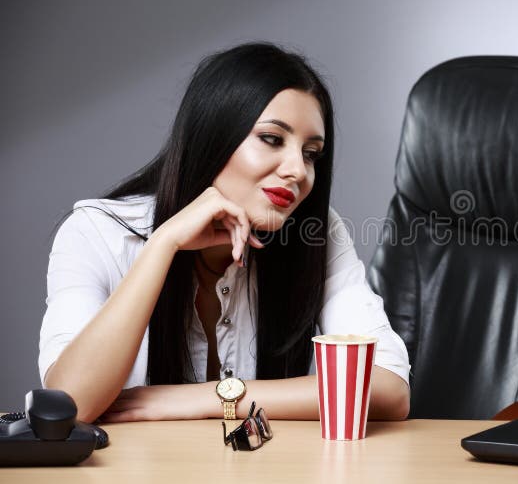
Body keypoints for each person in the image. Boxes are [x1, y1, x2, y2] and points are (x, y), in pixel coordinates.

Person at [39, 43, 411, 423]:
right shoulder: (95, 232)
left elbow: (389, 387)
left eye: (311, 153)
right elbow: (69, 406)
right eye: (271, 139)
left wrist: (212, 399)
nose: (298, 171)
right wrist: (163, 244)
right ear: (213, 136)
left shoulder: (317, 232)